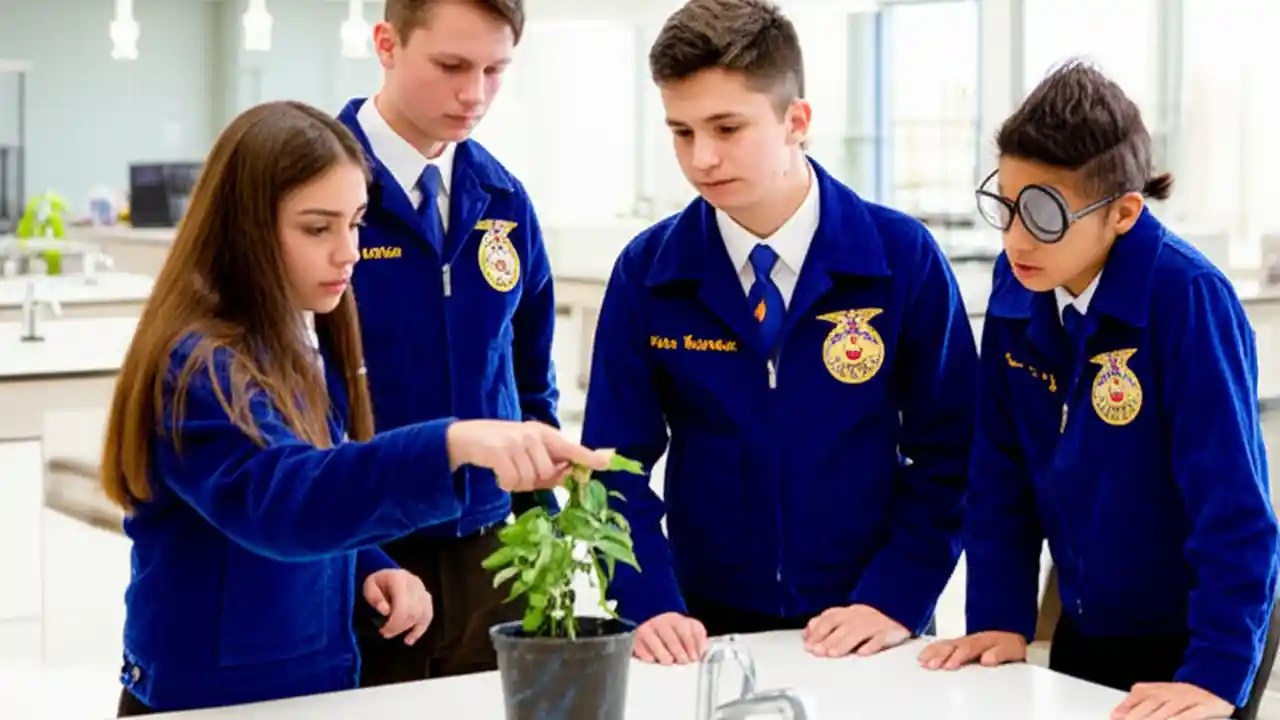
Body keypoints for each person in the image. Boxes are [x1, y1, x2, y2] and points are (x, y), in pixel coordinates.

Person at [99, 100, 608, 716]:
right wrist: (453, 443)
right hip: (213, 699)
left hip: (310, 684)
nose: (349, 252)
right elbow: (285, 499)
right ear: (243, 229)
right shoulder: (198, 367)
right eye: (318, 229)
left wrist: (367, 564)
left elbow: (321, 477)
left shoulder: (297, 340)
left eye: (356, 223)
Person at [580, 0, 978, 666]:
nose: (702, 158)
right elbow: (611, 467)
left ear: (797, 121)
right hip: (700, 628)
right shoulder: (648, 273)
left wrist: (895, 596)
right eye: (682, 132)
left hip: (869, 623)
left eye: (727, 127)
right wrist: (647, 601)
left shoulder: (901, 259)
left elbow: (954, 454)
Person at [917, 61, 1280, 720]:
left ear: (1123, 212)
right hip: (1088, 617)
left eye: (1043, 215)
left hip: (1199, 632)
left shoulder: (1187, 299)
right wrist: (999, 617)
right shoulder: (1018, 285)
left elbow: (1233, 508)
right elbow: (999, 475)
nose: (1015, 238)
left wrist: (1216, 673)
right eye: (1006, 205)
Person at [334, 0, 561, 684]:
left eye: (495, 70)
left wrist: (540, 523)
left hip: (493, 553)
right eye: (452, 66)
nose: (475, 94)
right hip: (362, 554)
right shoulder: (316, 190)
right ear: (386, 44)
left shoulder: (503, 199)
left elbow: (529, 377)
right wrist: (360, 557)